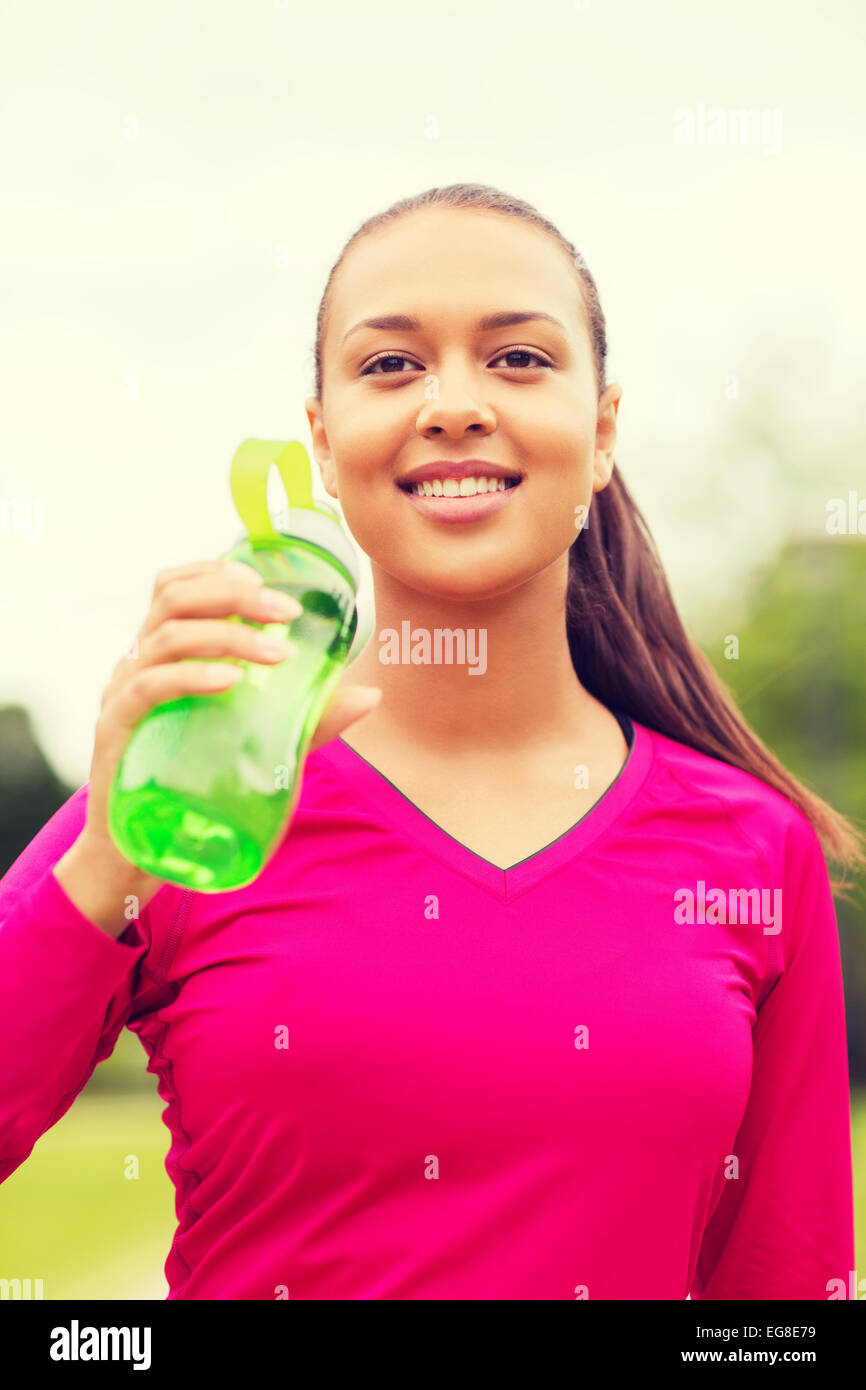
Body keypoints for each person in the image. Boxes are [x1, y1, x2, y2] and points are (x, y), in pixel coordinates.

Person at [0, 183, 861, 1301]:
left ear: (600, 432)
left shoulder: (750, 848)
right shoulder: (186, 789)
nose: (453, 402)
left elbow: (781, 1304)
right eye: (390, 365)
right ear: (320, 442)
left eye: (516, 359)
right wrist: (103, 864)